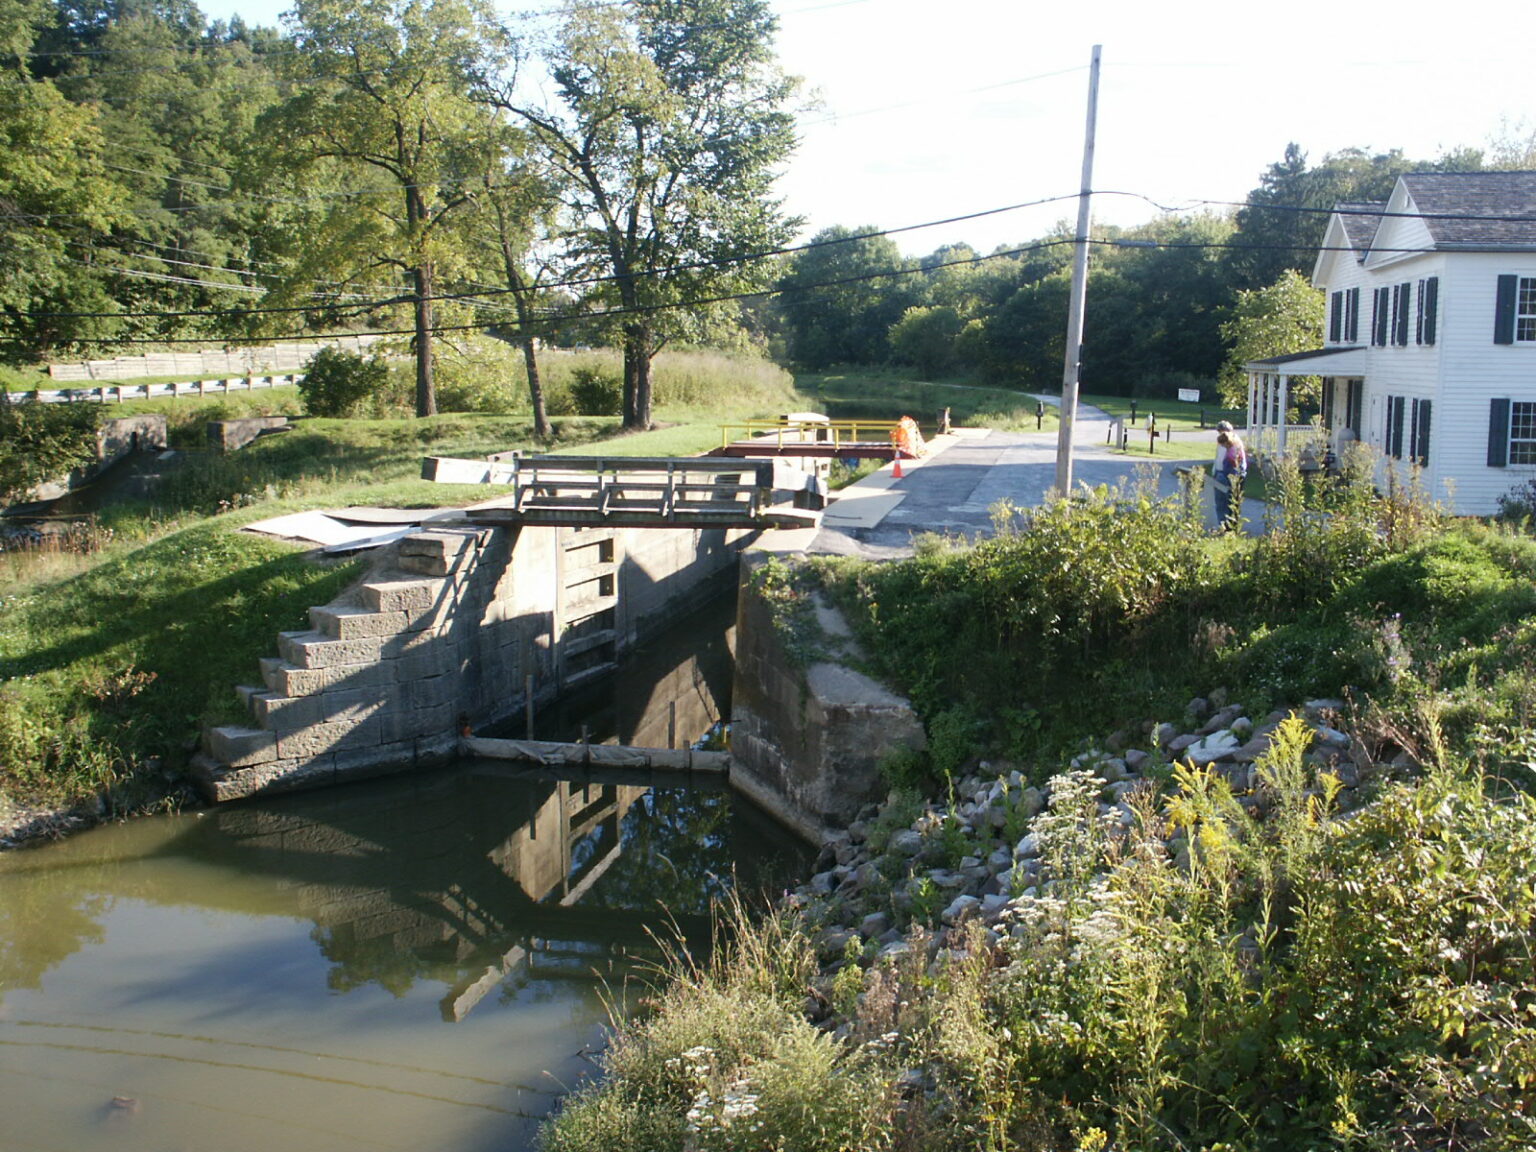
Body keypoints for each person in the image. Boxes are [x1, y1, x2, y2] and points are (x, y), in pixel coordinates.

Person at [1213, 430, 1247, 530]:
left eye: (1223, 445)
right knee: (1233, 504)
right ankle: (1232, 526)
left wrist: (1224, 476)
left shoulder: (1232, 452)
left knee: (1227, 503)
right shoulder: (1235, 447)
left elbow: (1233, 469)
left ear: (1226, 442)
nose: (1223, 447)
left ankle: (1227, 526)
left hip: (1232, 478)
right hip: (1236, 477)